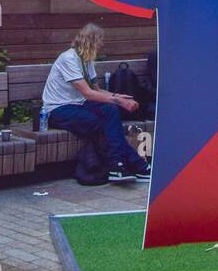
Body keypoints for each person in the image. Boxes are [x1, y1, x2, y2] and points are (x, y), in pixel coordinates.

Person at [42, 23, 150, 182]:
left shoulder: (86, 61)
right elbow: (88, 93)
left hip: (78, 104)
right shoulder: (68, 59)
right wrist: (119, 101)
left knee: (110, 110)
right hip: (57, 109)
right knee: (97, 123)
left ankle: (119, 166)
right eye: (100, 40)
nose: (102, 44)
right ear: (91, 40)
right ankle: (132, 165)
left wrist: (117, 96)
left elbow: (96, 89)